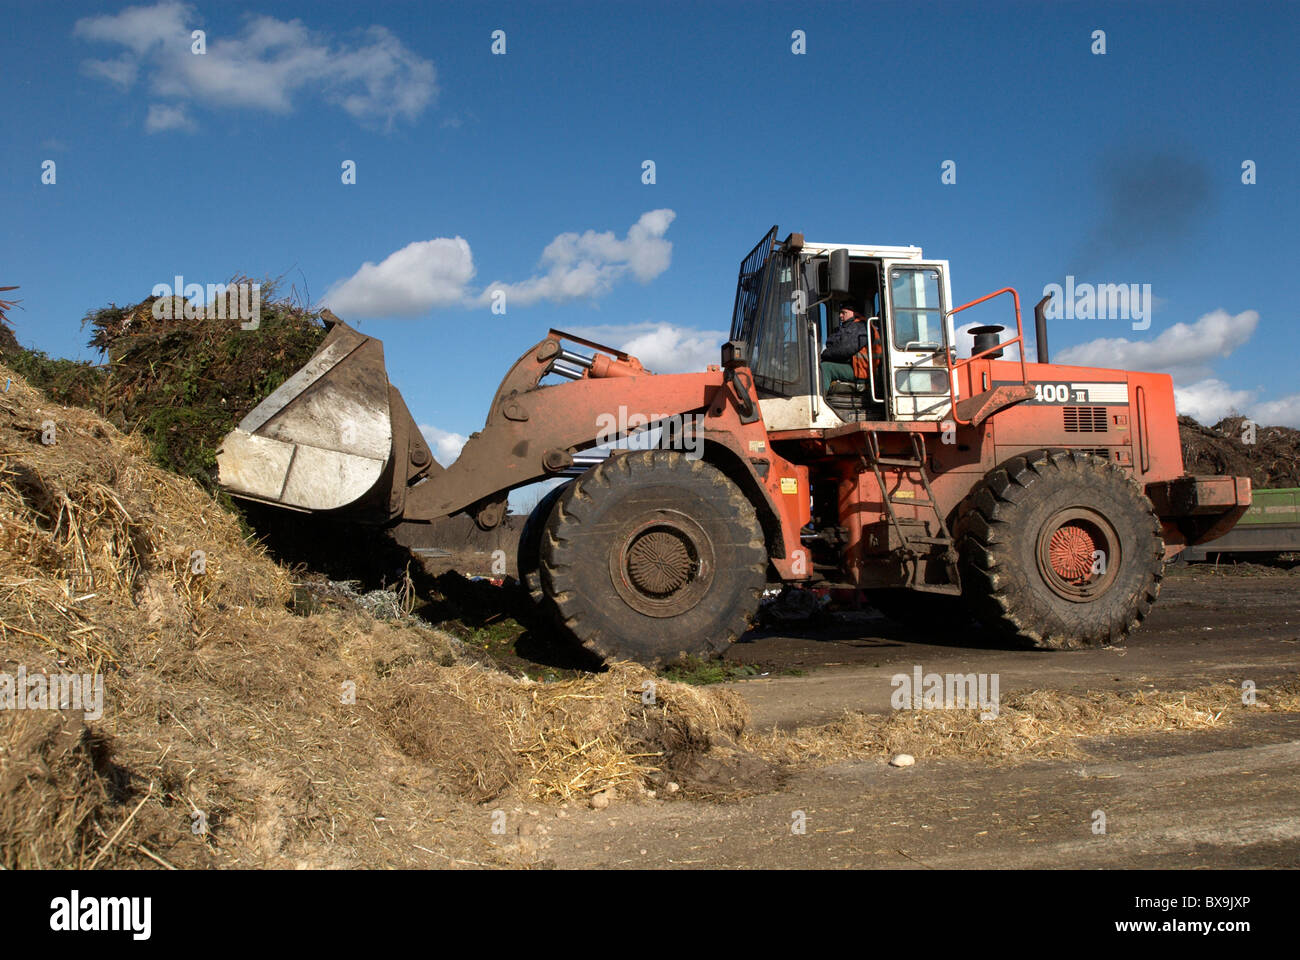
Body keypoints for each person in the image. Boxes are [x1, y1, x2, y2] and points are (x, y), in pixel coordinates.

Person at [820, 303, 884, 395]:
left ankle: (820, 399)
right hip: (856, 367)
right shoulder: (849, 327)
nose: (840, 315)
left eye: (843, 312)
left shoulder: (861, 327)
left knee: (825, 367)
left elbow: (845, 350)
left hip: (862, 371)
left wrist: (824, 355)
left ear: (854, 313)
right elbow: (832, 343)